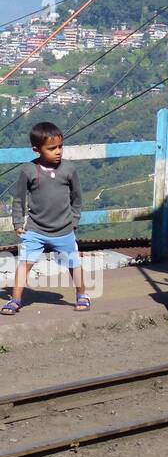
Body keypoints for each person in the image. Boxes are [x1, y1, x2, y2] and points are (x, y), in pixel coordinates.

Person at [4, 122, 88, 315]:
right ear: (36, 150)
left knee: (73, 264)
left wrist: (73, 221)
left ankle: (82, 295)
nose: (58, 151)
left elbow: (77, 198)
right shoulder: (28, 171)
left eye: (60, 146)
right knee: (24, 263)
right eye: (52, 148)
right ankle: (15, 300)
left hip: (64, 230)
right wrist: (18, 223)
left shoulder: (69, 169)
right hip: (35, 230)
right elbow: (19, 200)